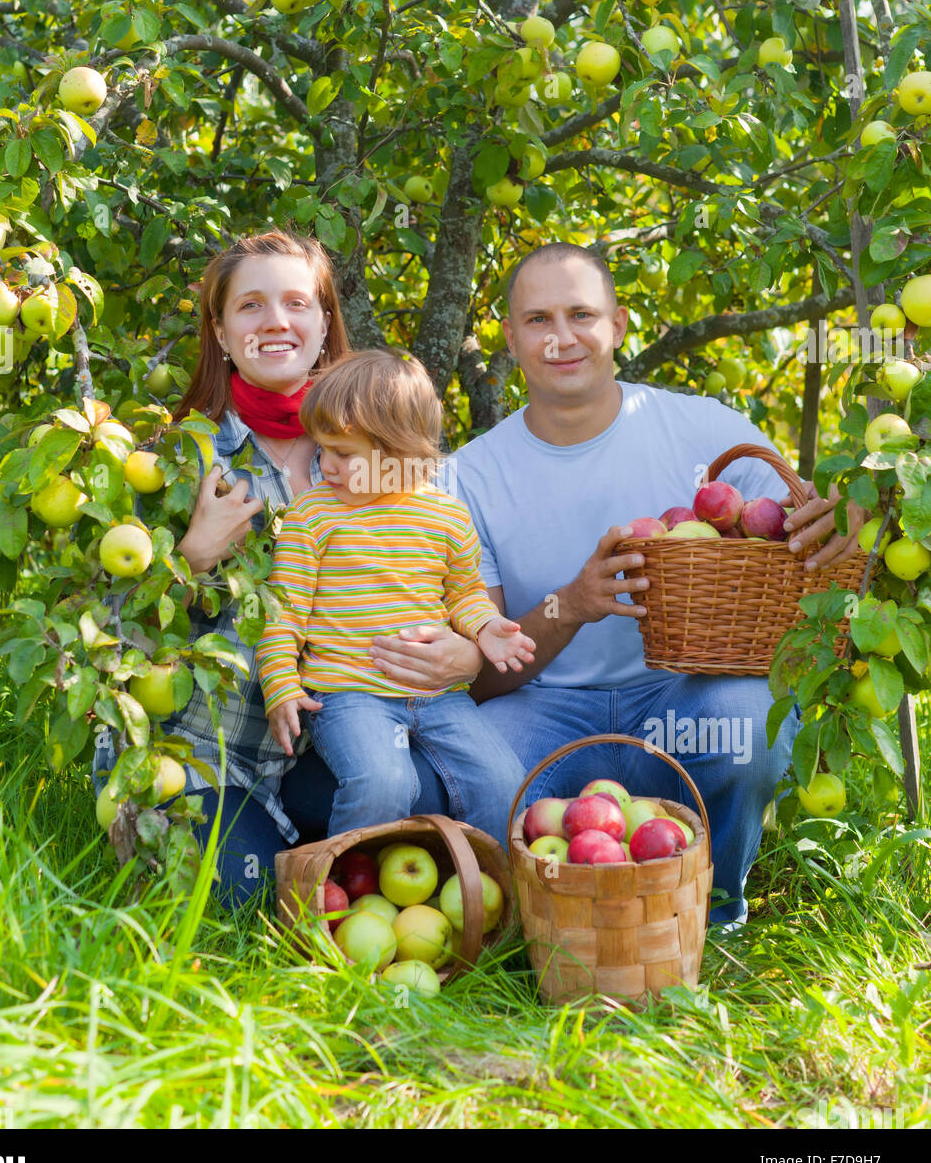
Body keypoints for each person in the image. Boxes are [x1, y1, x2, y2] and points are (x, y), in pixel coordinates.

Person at [448, 242, 864, 925]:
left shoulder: (698, 428)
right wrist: (572, 605)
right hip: (544, 711)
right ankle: (535, 932)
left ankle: (709, 915)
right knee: (462, 769)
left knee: (743, 726)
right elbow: (481, 679)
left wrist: (838, 519)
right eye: (537, 319)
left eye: (581, 314)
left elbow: (798, 519)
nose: (561, 338)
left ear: (616, 325)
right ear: (509, 338)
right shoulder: (469, 477)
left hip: (681, 698)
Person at [93, 230, 477, 904]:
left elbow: (455, 584)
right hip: (215, 757)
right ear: (218, 329)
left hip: (342, 730)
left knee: (437, 785)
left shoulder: (389, 453)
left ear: (326, 321)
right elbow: (104, 641)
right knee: (244, 910)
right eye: (250, 306)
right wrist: (190, 560)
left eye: (297, 302)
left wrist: (466, 655)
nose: (276, 321)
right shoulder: (177, 462)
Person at [255, 350, 533, 849]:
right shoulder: (313, 517)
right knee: (382, 782)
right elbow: (283, 611)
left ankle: (494, 904)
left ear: (400, 452)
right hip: (351, 695)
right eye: (323, 449)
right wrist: (280, 685)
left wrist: (486, 628)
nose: (327, 464)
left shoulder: (446, 518)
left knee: (503, 781)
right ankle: (341, 894)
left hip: (440, 697)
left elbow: (464, 595)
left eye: (344, 453)